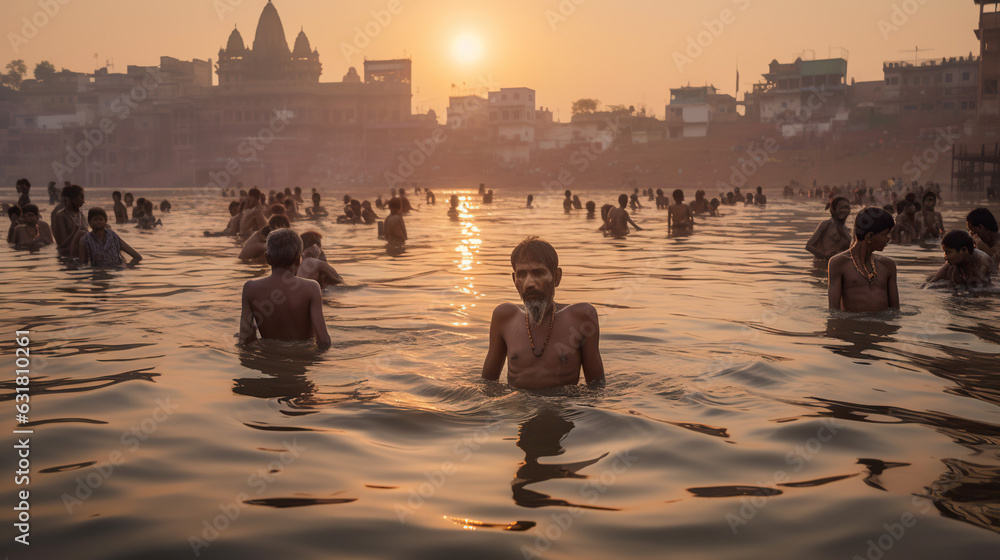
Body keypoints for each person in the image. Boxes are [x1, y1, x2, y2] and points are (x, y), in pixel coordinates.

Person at [482, 237, 604, 390]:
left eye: (538, 273)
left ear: (557, 277)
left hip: (564, 410)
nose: (529, 283)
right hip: (516, 410)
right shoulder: (504, 317)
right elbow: (487, 385)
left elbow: (597, 388)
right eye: (522, 274)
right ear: (514, 280)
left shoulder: (581, 317)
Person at [238, 229, 331, 348]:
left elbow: (244, 341)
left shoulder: (250, 288)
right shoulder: (312, 288)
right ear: (298, 259)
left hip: (268, 360)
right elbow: (324, 341)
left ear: (267, 258)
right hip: (302, 361)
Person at [828, 207, 899, 312]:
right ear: (870, 236)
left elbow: (895, 312)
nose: (889, 239)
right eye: (885, 234)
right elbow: (834, 312)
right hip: (853, 327)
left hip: (882, 326)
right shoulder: (838, 263)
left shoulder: (888, 266)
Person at [926, 230, 993, 288]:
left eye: (948, 252)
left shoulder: (982, 260)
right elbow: (931, 284)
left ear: (964, 250)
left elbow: (980, 290)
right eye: (945, 252)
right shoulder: (952, 263)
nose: (945, 257)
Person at [806, 197, 851, 261]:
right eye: (842, 207)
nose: (845, 210)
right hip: (822, 265)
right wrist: (825, 255)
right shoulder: (826, 224)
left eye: (847, 208)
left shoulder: (847, 230)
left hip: (839, 265)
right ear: (834, 209)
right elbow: (809, 246)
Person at [52, 184, 88, 257]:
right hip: (67, 257)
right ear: (72, 199)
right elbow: (62, 244)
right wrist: (76, 230)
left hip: (83, 254)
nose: (83, 201)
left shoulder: (81, 215)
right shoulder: (60, 216)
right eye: (81, 197)